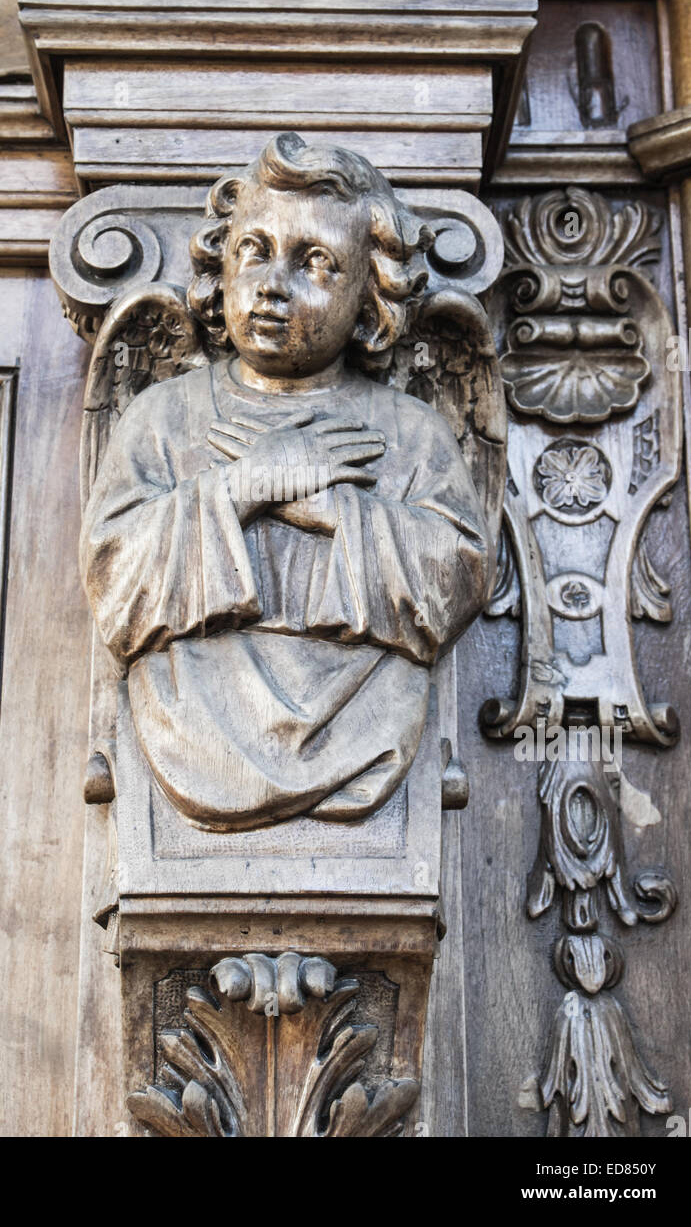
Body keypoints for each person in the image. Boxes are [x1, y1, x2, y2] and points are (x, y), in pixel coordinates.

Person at [80, 132, 493, 831]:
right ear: (222, 261)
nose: (272, 284)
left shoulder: (411, 431)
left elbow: (457, 573)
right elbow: (115, 578)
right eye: (254, 250)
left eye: (316, 262)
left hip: (366, 726)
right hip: (195, 723)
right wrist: (245, 487)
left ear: (371, 295)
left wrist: (330, 509)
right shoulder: (164, 419)